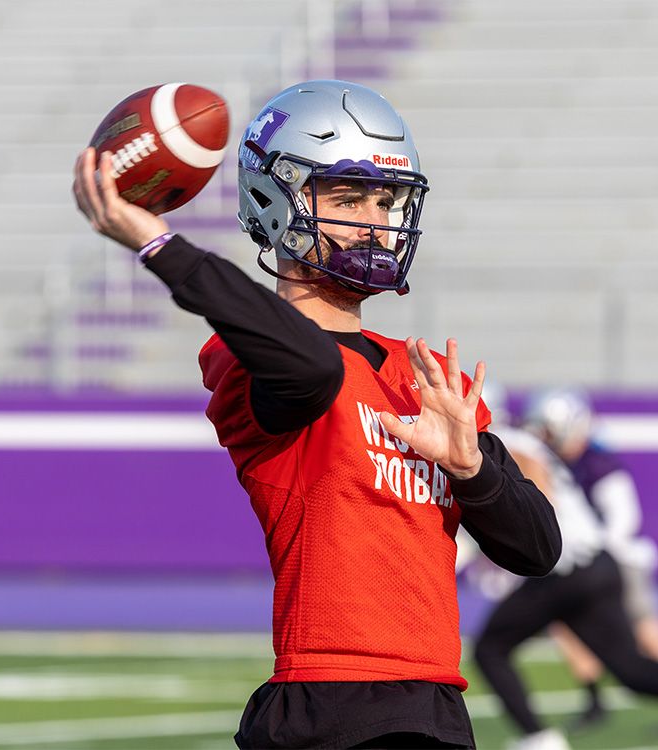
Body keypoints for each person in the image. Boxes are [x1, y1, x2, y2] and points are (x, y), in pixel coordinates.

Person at [72, 79, 563, 750]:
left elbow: (537, 549)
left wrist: (472, 467)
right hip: (327, 706)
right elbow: (312, 368)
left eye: (386, 200)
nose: (376, 220)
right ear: (275, 203)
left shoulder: (418, 376)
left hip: (437, 709)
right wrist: (161, 244)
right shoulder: (251, 356)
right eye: (348, 196)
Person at [471, 389, 658, 750]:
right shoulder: (521, 443)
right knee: (630, 668)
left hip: (566, 569)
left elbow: (538, 498)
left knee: (490, 649)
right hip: (595, 566)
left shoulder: (508, 443)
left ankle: (538, 739)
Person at [523, 388, 658, 732]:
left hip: (614, 564)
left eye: (548, 430)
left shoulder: (599, 464)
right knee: (567, 628)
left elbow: (624, 520)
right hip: (589, 566)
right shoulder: (561, 462)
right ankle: (594, 700)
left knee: (649, 636)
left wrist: (593, 553)